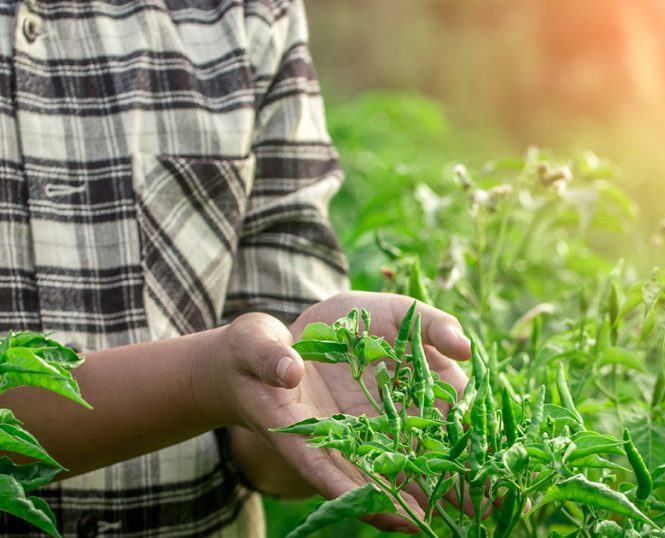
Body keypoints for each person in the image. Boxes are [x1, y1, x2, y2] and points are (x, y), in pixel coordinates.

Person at [0, 0, 468, 535]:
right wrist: (202, 377)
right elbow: (222, 377)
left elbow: (269, 427)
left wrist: (306, 391)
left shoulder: (248, 12)